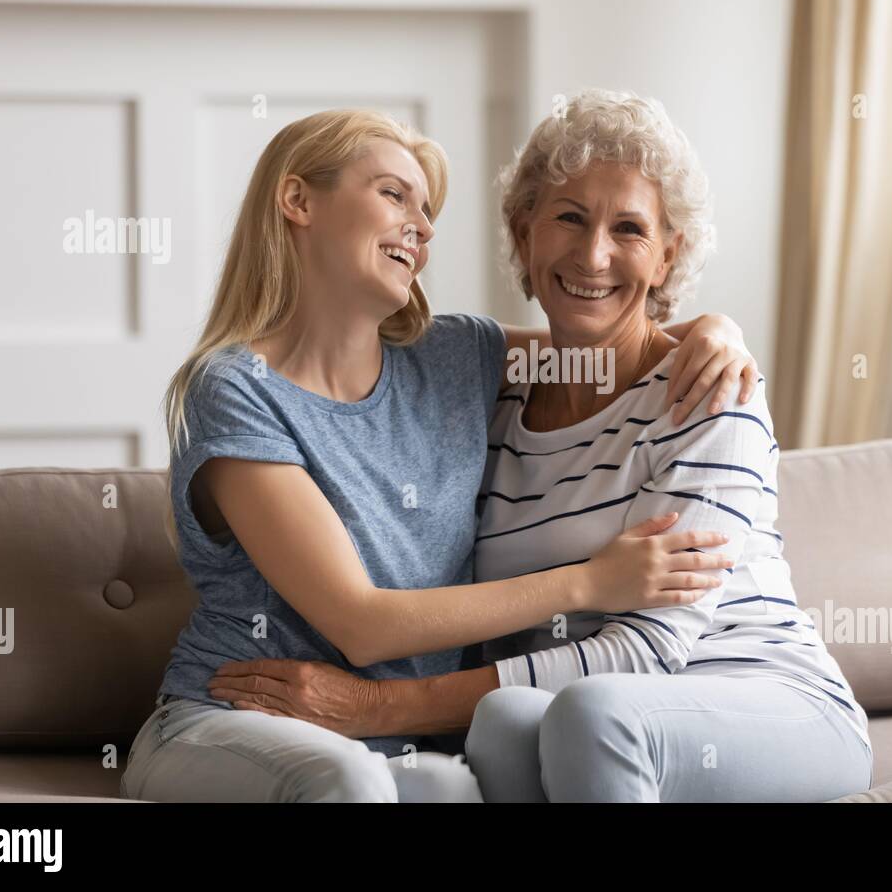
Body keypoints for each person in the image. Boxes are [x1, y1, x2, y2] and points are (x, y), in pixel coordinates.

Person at [118, 107, 758, 802]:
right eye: (394, 194)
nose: (421, 228)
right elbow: (360, 624)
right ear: (298, 200)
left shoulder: (456, 357)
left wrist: (718, 330)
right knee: (347, 781)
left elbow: (608, 341)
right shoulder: (237, 390)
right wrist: (590, 583)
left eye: (427, 211)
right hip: (231, 723)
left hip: (405, 753)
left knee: (442, 790)